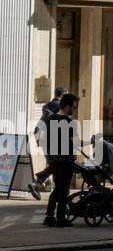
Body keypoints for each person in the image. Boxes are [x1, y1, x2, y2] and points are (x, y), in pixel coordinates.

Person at [42, 93, 80, 227]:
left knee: (58, 188)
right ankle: (61, 218)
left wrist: (49, 157)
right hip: (66, 160)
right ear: (67, 106)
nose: (74, 110)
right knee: (63, 190)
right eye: (73, 107)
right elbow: (74, 142)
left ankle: (49, 216)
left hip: (54, 160)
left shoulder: (49, 119)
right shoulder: (69, 122)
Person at [28, 86, 66, 199]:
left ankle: (42, 184)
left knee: (53, 164)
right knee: (57, 165)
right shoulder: (62, 108)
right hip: (56, 142)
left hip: (44, 141)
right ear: (63, 95)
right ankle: (39, 183)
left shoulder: (46, 107)